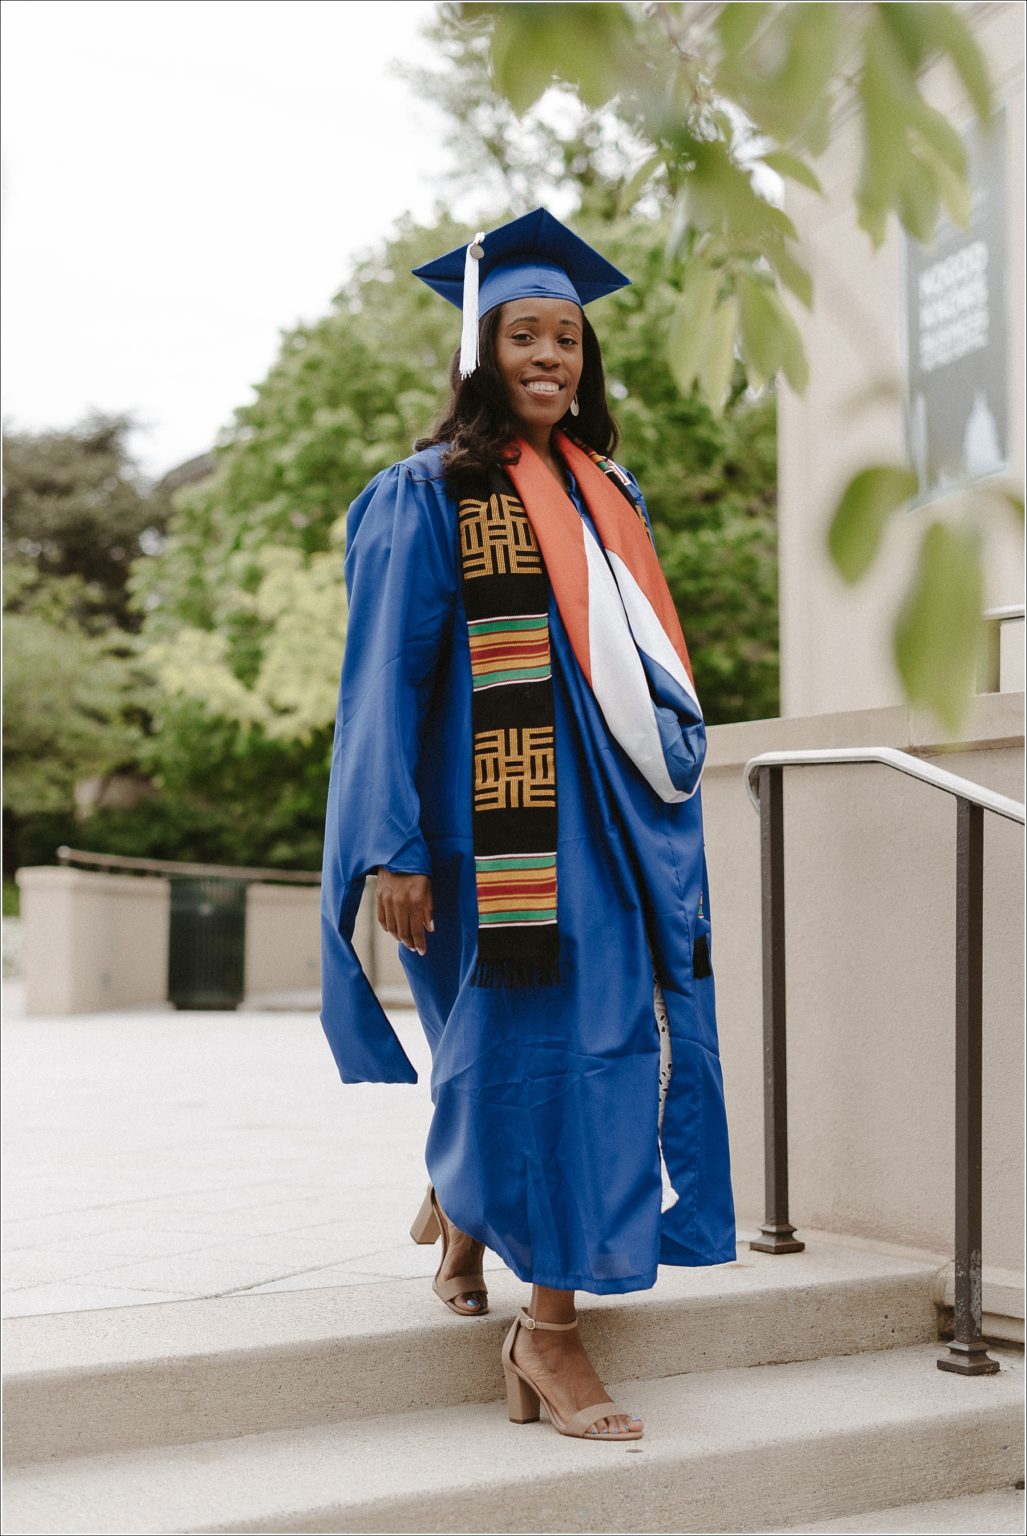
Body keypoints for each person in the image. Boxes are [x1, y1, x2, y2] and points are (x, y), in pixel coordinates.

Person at [319, 208, 736, 1442]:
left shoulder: (611, 492)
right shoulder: (424, 494)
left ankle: (508, 1270)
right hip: (484, 839)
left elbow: (648, 665)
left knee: (582, 1060)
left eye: (568, 337)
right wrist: (387, 844)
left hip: (609, 834)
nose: (550, 355)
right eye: (523, 335)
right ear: (479, 355)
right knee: (525, 1056)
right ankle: (530, 1312)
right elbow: (381, 681)